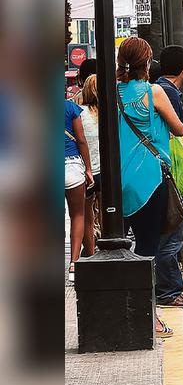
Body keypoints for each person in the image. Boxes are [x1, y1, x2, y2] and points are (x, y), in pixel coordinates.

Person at [115, 37, 183, 338]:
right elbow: (180, 128)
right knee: (148, 250)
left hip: (116, 181)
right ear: (146, 62)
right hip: (150, 179)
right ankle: (148, 315)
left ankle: (122, 309)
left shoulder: (112, 92)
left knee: (118, 248)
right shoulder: (152, 91)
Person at [153, 45, 183, 309]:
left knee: (167, 234)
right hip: (176, 170)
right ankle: (169, 290)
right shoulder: (168, 92)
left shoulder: (158, 87)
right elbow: (180, 129)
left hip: (161, 170)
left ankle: (169, 286)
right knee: (173, 236)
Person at [65, 97, 93, 277]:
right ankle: (74, 263)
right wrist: (88, 168)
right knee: (77, 215)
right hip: (71, 165)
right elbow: (81, 140)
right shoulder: (71, 108)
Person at [78, 75, 102, 259]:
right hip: (106, 171)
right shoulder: (110, 113)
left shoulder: (79, 114)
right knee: (107, 214)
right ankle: (107, 248)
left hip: (86, 171)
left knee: (87, 217)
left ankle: (91, 254)